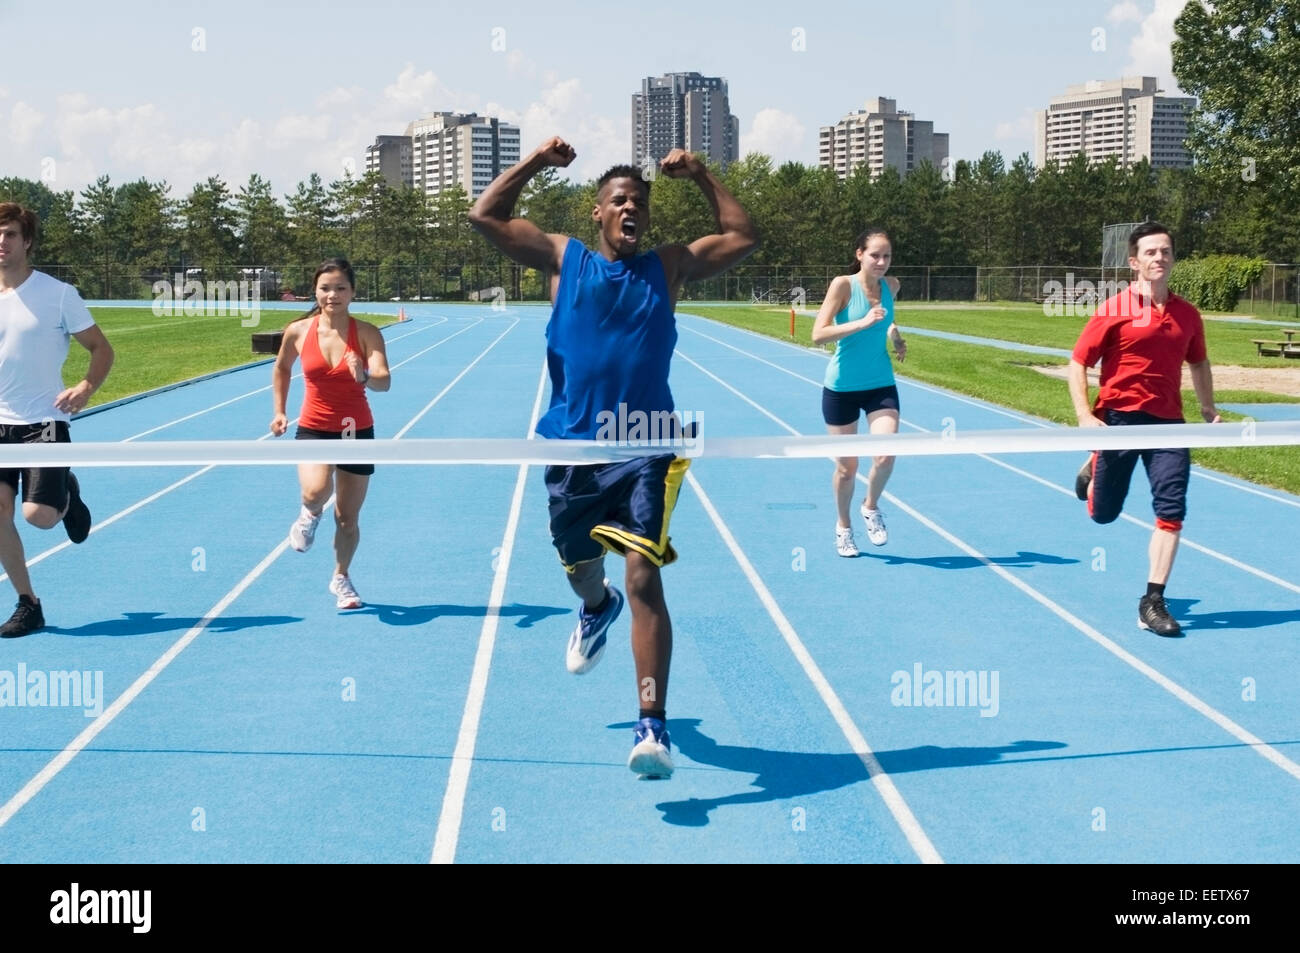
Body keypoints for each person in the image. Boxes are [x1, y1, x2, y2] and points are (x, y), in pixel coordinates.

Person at [469, 137, 758, 777]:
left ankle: (652, 726)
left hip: (649, 443)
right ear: (597, 213)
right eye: (619, 202)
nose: (631, 211)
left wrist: (704, 174)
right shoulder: (562, 257)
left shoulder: (670, 266)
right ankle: (595, 609)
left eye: (641, 206)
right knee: (581, 569)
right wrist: (537, 163)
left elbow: (742, 236)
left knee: (644, 575)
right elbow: (484, 216)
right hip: (573, 448)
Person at [1069, 221, 1219, 637]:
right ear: (1134, 262)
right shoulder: (1113, 309)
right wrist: (1086, 415)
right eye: (1151, 253)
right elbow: (1078, 361)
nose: (1160, 258)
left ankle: (1152, 600)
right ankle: (1095, 464)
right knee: (1104, 516)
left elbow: (1199, 362)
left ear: (1173, 258)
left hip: (1170, 423)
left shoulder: (1187, 314)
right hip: (1119, 419)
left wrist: (1207, 407)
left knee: (1171, 510)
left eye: (1166, 251)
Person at [0, 202, 115, 637]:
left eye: (10, 234)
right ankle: (28, 604)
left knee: (37, 517)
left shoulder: (57, 294)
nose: (2, 242)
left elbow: (101, 350)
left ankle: (65, 491)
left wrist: (85, 388)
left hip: (43, 423)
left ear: (26, 241)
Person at [270, 259, 390, 610]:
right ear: (316, 291)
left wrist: (363, 374)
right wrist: (280, 411)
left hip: (356, 431)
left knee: (347, 518)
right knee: (316, 489)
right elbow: (281, 368)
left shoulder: (367, 333)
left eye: (340, 288)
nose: (332, 294)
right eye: (325, 288)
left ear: (352, 292)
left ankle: (341, 577)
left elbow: (384, 381)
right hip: (314, 427)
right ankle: (308, 515)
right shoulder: (298, 331)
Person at [811, 227, 906, 557]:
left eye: (887, 256)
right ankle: (843, 526)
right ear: (859, 255)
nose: (881, 261)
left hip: (880, 382)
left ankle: (871, 506)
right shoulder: (843, 286)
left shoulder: (892, 286)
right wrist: (862, 323)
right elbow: (818, 334)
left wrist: (895, 336)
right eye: (875, 255)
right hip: (842, 388)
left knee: (885, 453)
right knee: (847, 469)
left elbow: (887, 320)